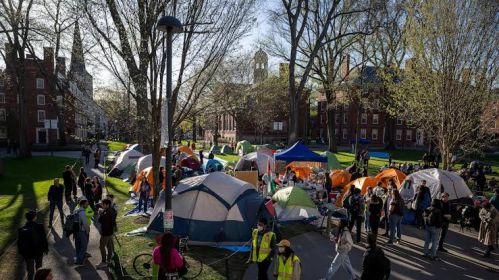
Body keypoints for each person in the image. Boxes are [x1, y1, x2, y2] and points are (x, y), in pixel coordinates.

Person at [17, 210, 48, 280]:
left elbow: (19, 243)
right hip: (38, 251)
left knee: (30, 272)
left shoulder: (21, 229)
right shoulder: (40, 226)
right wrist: (46, 248)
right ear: (34, 217)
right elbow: (43, 239)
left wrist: (22, 254)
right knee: (39, 269)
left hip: (28, 254)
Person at [97, 199, 117, 267]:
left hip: (105, 233)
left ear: (107, 205)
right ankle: (109, 259)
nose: (102, 205)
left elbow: (100, 220)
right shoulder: (113, 210)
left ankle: (104, 261)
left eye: (103, 204)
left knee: (102, 247)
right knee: (109, 246)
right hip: (111, 231)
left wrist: (100, 213)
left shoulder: (105, 213)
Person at [74, 197, 94, 265]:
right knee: (84, 246)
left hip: (75, 231)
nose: (88, 205)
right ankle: (79, 260)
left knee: (78, 245)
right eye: (86, 204)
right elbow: (85, 223)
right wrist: (87, 230)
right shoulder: (82, 213)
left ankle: (78, 257)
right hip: (82, 231)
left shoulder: (76, 210)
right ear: (83, 205)